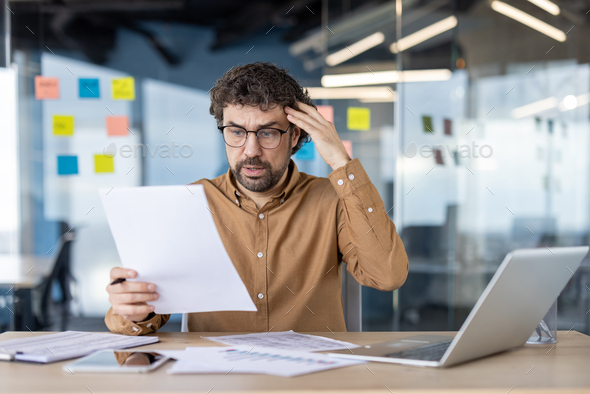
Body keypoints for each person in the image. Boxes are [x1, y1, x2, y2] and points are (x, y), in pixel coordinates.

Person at [105, 62, 408, 335]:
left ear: (295, 137)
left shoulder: (335, 199)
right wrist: (133, 307)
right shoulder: (190, 203)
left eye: (267, 133)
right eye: (236, 132)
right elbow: (139, 318)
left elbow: (388, 275)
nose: (250, 150)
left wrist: (342, 163)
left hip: (312, 380)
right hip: (219, 379)